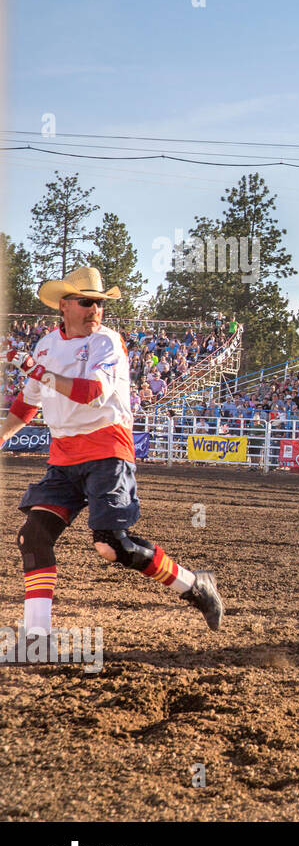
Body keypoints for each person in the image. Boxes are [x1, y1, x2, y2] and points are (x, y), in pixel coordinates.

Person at [1, 267, 224, 641]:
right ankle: (37, 636)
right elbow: (27, 403)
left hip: (107, 449)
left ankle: (194, 585)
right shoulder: (45, 347)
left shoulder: (107, 343)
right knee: (33, 536)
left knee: (110, 546)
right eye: (87, 302)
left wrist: (38, 371)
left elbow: (90, 393)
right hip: (63, 455)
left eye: (100, 303)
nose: (95, 309)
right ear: (64, 305)